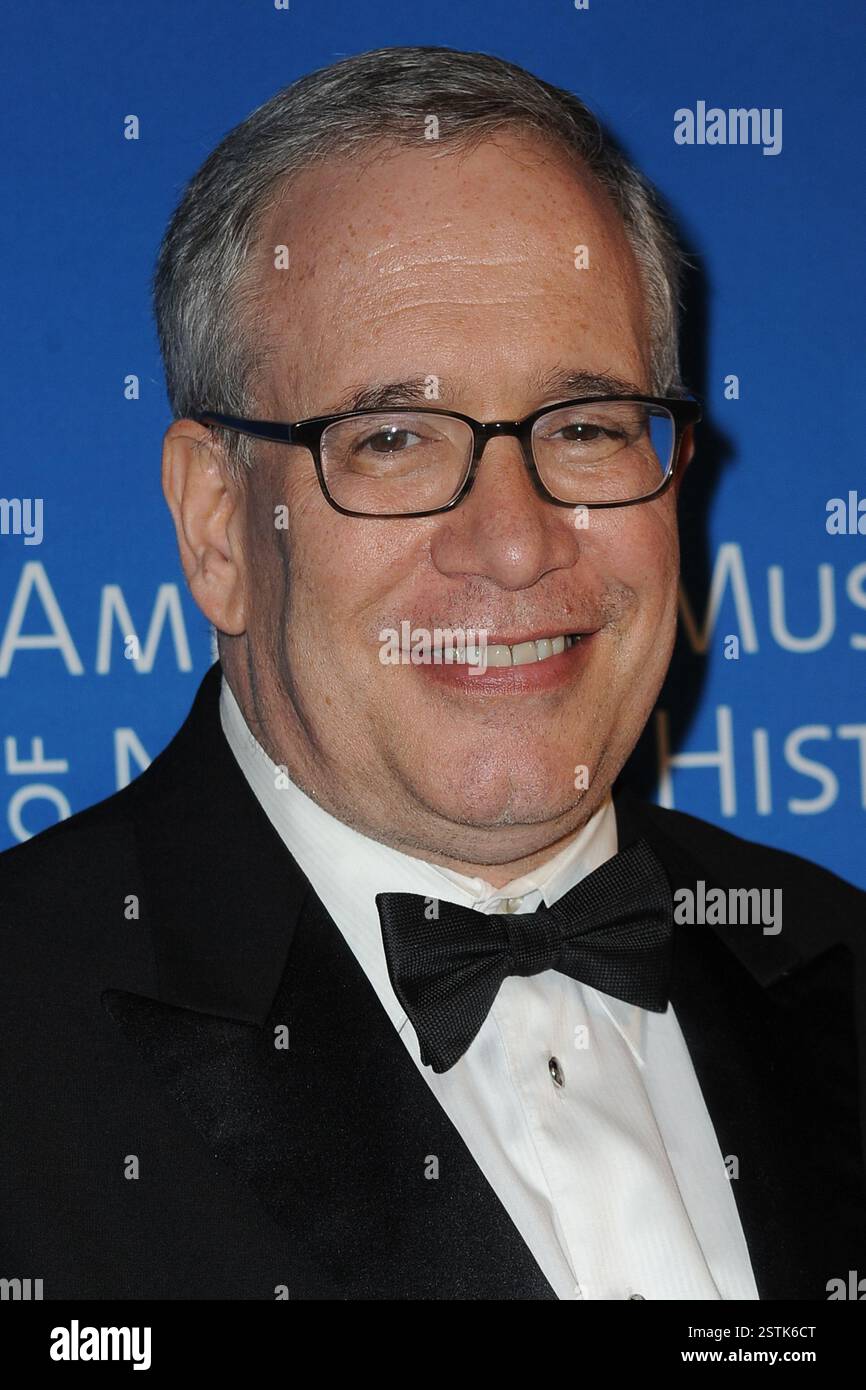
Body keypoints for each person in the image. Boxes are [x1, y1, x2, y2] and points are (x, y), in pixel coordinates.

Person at [2, 45, 864, 1302]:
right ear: (214, 525)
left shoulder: (831, 957)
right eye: (392, 439)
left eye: (582, 427)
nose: (514, 543)